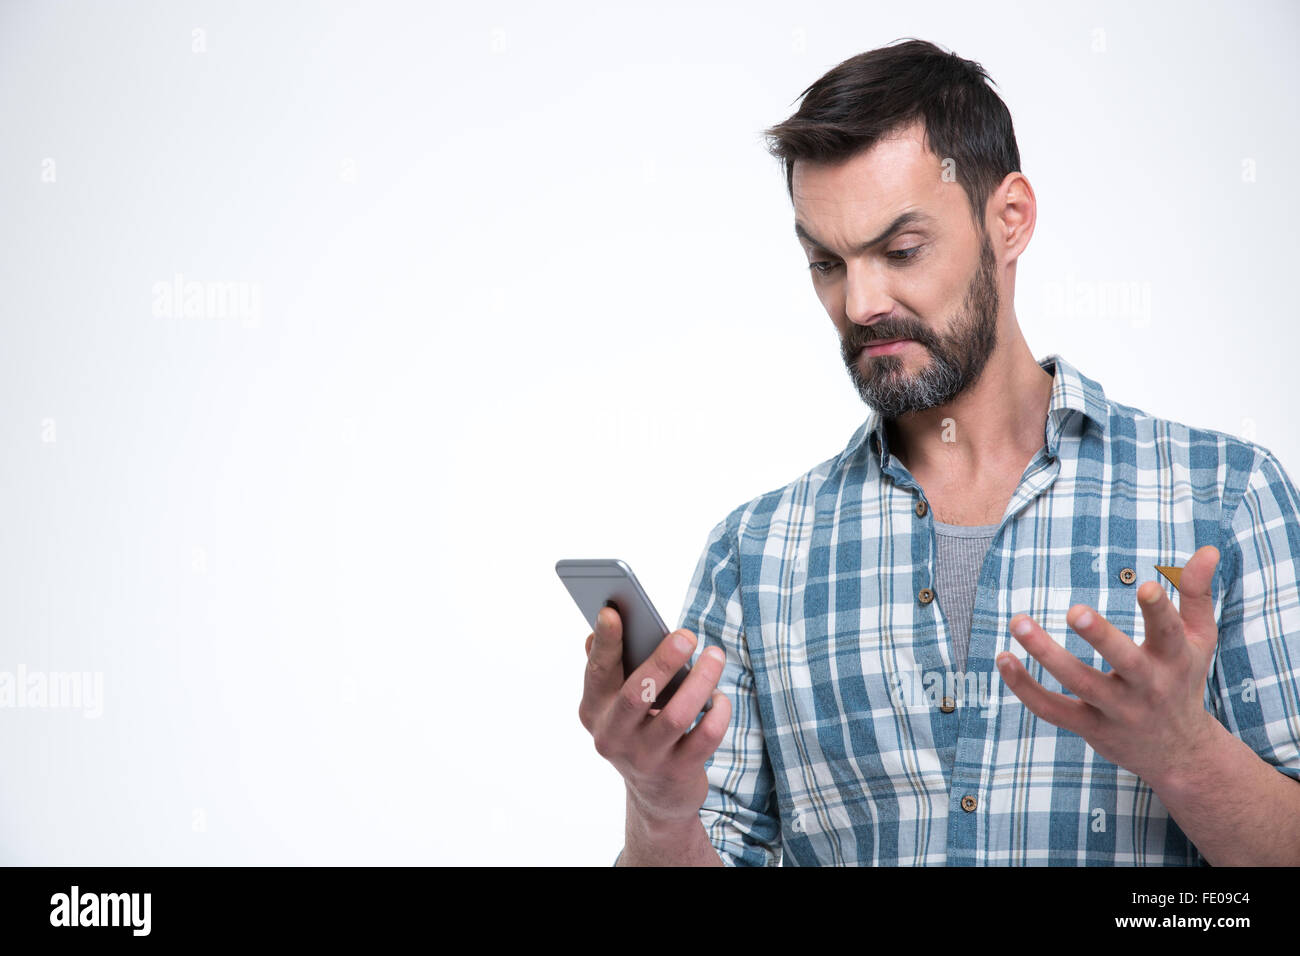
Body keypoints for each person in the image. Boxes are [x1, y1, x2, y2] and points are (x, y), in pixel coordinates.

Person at [577, 38, 1300, 865]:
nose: (862, 302)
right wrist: (660, 810)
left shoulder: (1223, 499)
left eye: (902, 250)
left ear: (1010, 218)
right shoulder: (757, 555)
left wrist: (1185, 753)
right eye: (826, 262)